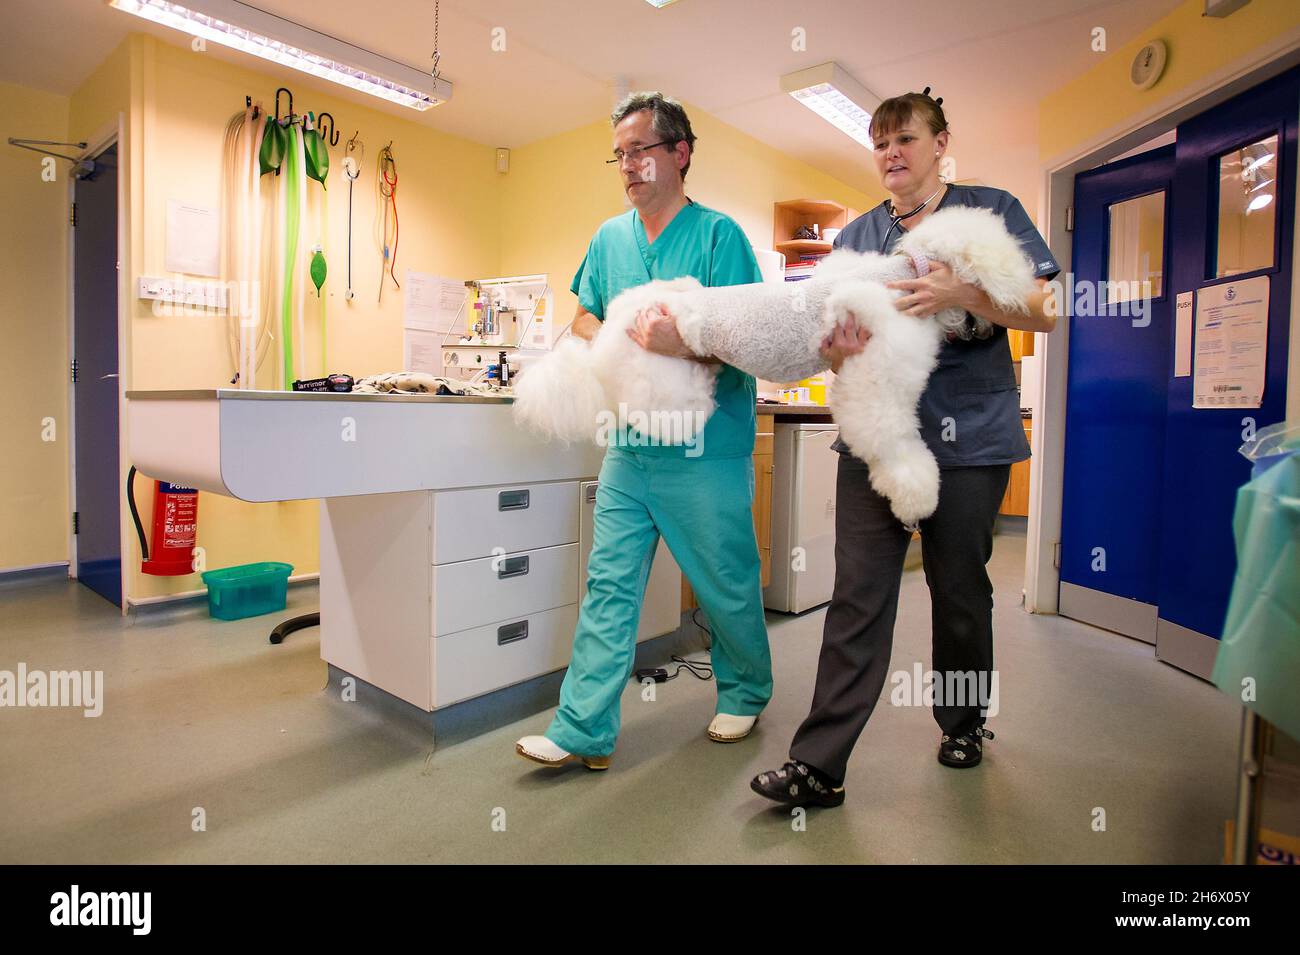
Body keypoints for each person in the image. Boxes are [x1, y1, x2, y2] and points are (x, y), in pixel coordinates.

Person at [751, 89, 1060, 808]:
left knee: (958, 591)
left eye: (906, 138)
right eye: (881, 141)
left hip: (968, 435)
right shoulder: (857, 236)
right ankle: (819, 763)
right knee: (857, 592)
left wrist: (971, 295)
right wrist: (834, 345)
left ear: (940, 142)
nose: (891, 153)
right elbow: (828, 343)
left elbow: (1046, 309)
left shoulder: (993, 210)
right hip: (876, 430)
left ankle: (963, 720)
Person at [515, 92, 772, 771]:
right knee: (608, 584)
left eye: (641, 151)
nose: (627, 165)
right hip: (630, 446)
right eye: (619, 154)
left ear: (680, 154)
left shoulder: (721, 238)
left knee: (724, 581)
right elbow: (581, 316)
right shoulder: (609, 239)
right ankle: (584, 728)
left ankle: (745, 691)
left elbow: (748, 338)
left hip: (704, 449)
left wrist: (678, 341)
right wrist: (620, 339)